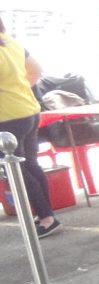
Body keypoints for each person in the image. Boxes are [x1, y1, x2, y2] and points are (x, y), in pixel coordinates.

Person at [0, 16, 60, 238]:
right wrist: (17, 87)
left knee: (15, 168)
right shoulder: (10, 41)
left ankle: (46, 217)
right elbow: (36, 70)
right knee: (31, 163)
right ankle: (47, 215)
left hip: (7, 117)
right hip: (29, 110)